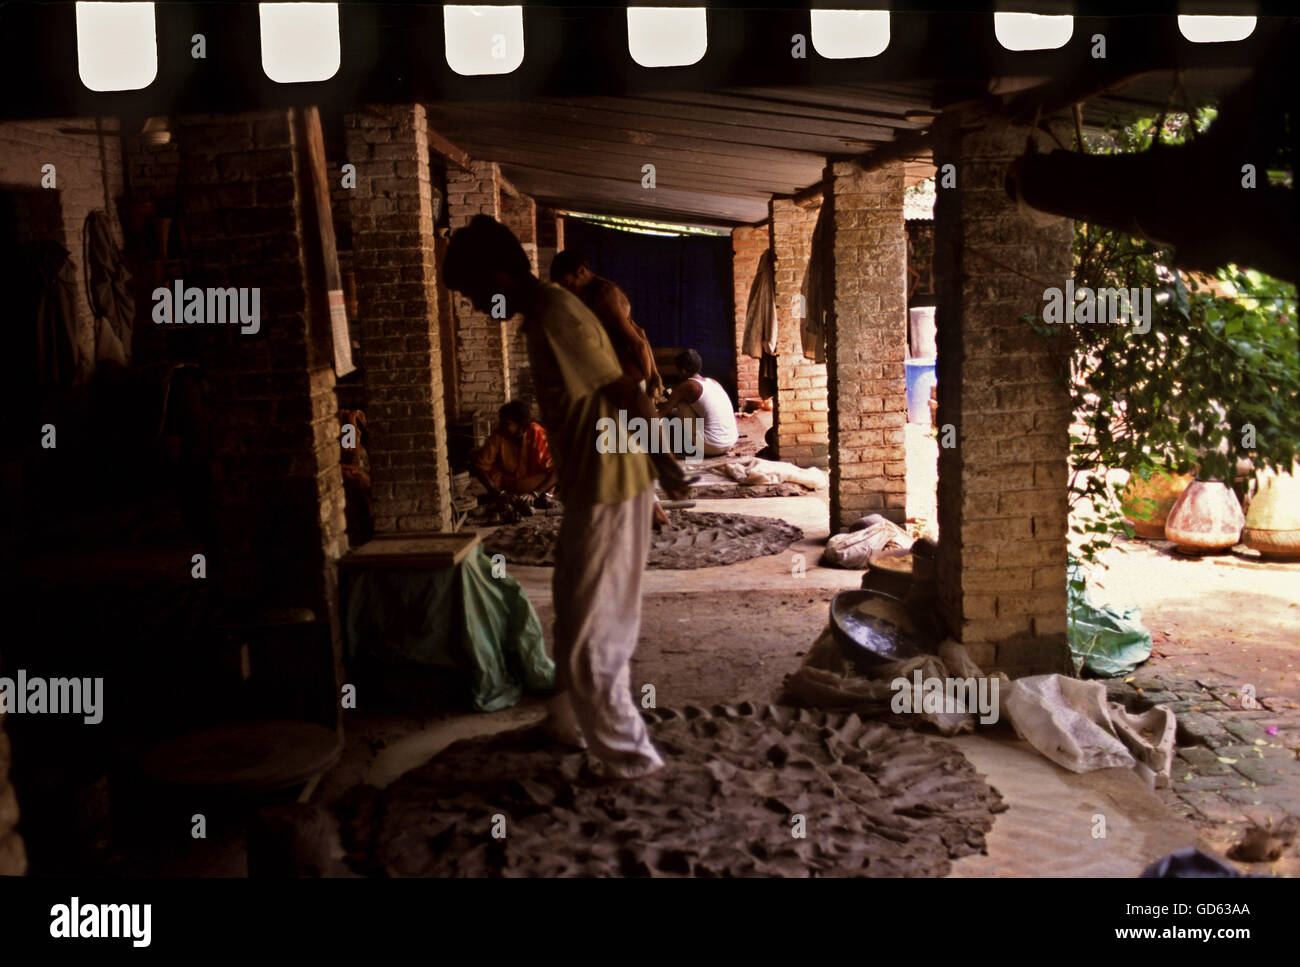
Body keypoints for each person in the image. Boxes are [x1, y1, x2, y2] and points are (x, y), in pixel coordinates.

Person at [443, 215, 692, 780]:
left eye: (477, 294)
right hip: (593, 484)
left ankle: (632, 763)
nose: (480, 308)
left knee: (590, 639)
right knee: (573, 612)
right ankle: (566, 721)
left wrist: (664, 460)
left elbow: (624, 387)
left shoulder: (555, 314)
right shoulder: (544, 315)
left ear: (499, 275)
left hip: (610, 487)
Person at [549, 251, 664, 400]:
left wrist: (650, 387)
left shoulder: (605, 297)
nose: (570, 291)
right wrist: (655, 374)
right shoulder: (592, 293)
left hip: (628, 377)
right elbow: (640, 332)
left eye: (570, 285)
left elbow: (638, 344)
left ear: (582, 271)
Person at [471, 400, 557, 520]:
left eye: (506, 423)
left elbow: (557, 470)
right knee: (476, 457)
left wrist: (535, 493)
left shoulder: (537, 433)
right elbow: (481, 466)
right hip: (505, 482)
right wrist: (498, 492)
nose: (501, 425)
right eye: (502, 421)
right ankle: (505, 498)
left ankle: (533, 498)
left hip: (532, 482)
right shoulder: (499, 434)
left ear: (520, 425)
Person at [657, 349, 739, 457]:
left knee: (681, 404)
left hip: (713, 445)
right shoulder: (713, 382)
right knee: (685, 408)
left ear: (683, 371)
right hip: (731, 440)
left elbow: (661, 413)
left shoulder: (687, 386)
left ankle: (676, 448)